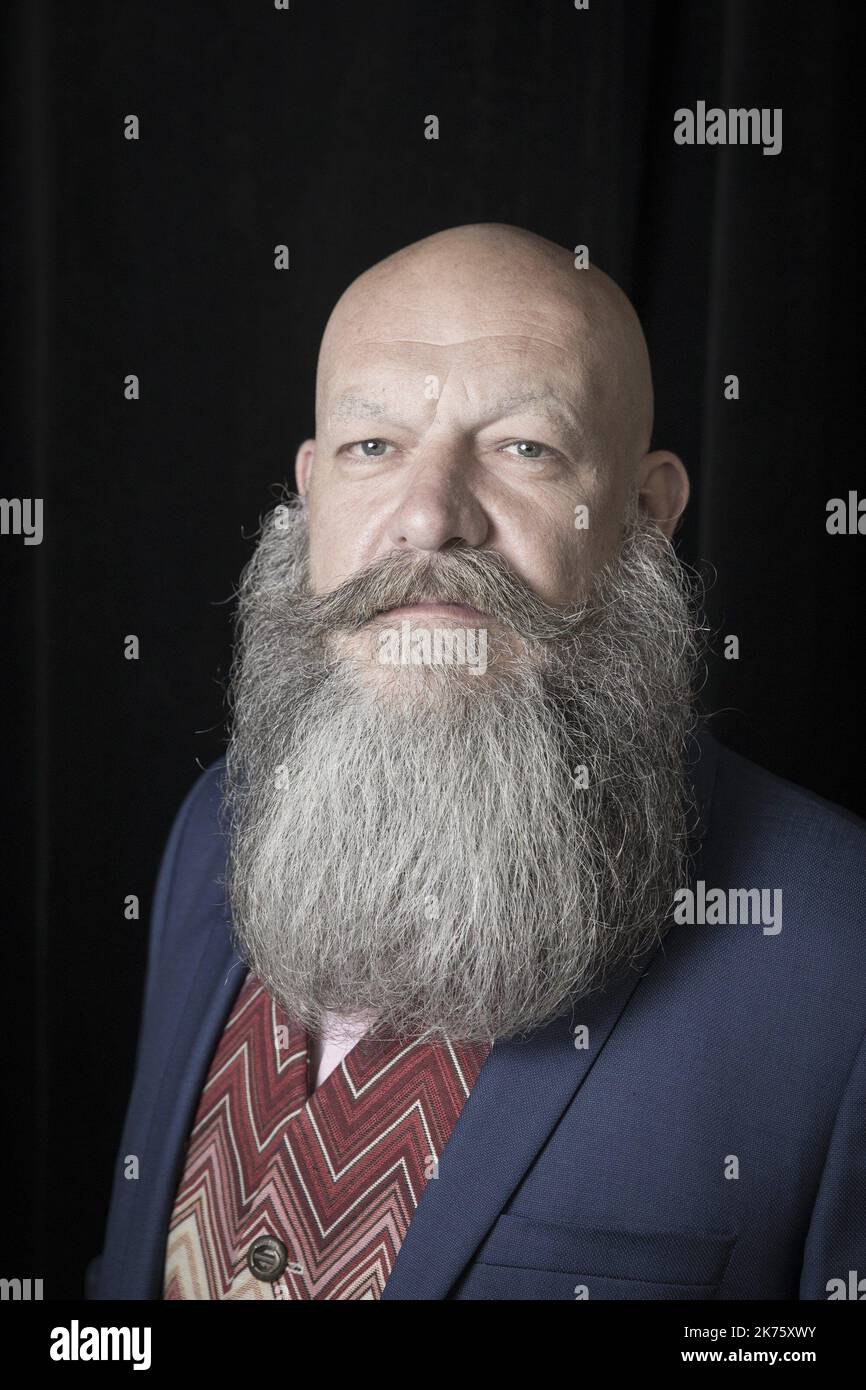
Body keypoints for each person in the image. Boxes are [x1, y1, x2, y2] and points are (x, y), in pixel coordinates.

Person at [86, 224, 866, 1300]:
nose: (427, 517)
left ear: (645, 514)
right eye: (373, 447)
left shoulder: (839, 953)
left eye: (523, 449)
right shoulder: (213, 827)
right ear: (310, 492)